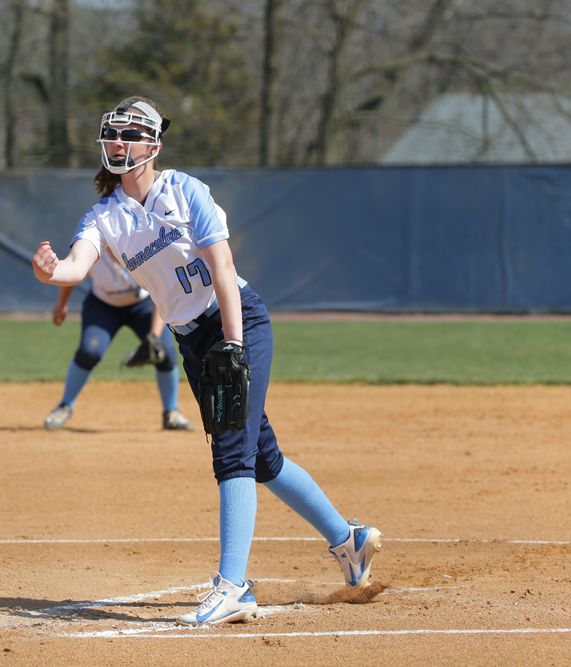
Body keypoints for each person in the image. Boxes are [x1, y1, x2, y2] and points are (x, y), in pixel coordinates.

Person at [31, 96, 381, 625]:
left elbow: (223, 267)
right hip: (191, 341)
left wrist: (234, 344)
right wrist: (49, 271)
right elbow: (75, 267)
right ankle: (348, 540)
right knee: (261, 458)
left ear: (154, 145)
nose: (119, 143)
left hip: (235, 321)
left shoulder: (184, 190)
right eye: (113, 134)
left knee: (232, 451)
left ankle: (234, 588)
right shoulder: (105, 216)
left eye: (131, 134)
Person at [43, 250, 196, 432]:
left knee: (164, 352)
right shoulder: (93, 245)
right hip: (102, 306)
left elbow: (160, 292)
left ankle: (171, 413)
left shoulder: (141, 246)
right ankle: (64, 406)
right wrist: (62, 305)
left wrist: (154, 336)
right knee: (90, 351)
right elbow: (73, 273)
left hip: (143, 305)